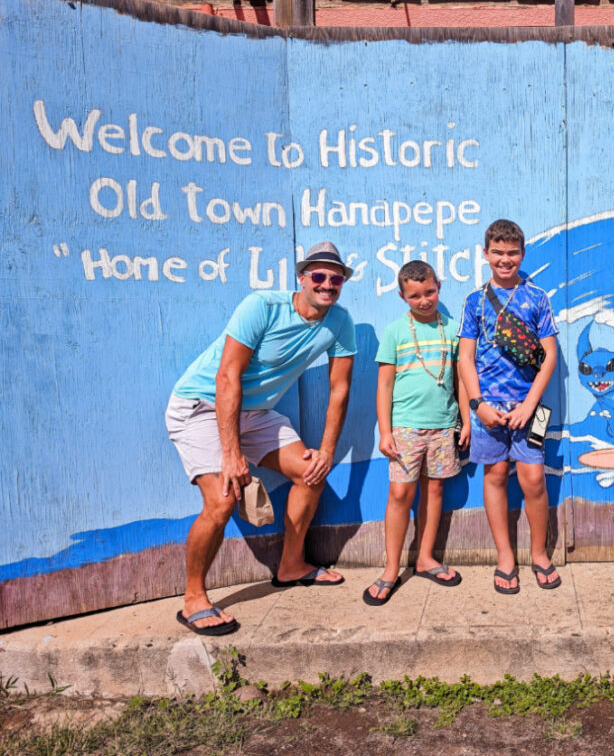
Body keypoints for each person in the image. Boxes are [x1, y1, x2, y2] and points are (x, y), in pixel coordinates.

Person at [166, 241, 356, 635]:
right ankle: (193, 599)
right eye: (318, 276)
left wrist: (326, 450)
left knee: (311, 472)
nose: (326, 284)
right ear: (302, 278)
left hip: (256, 413)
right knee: (221, 502)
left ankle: (291, 566)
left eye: (335, 278)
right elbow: (227, 377)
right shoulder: (263, 307)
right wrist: (232, 454)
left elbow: (339, 391)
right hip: (202, 406)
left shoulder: (340, 322)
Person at [458, 219, 560, 593]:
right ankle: (505, 555)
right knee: (496, 475)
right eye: (497, 253)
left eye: (512, 253)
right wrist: (477, 405)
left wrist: (529, 405)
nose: (505, 260)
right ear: (485, 254)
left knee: (533, 478)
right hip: (488, 411)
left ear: (522, 254)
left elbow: (549, 357)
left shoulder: (537, 298)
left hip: (531, 408)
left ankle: (539, 553)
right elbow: (464, 359)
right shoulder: (474, 302)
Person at [366, 261, 467, 606]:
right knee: (399, 495)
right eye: (414, 295)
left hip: (443, 425)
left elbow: (463, 380)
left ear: (439, 285)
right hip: (405, 427)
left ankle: (425, 557)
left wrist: (465, 421)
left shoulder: (452, 329)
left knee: (435, 489)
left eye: (429, 292)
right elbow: (383, 385)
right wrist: (385, 431)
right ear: (402, 296)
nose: (424, 300)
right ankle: (391, 568)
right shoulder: (395, 332)